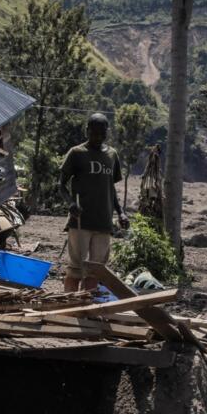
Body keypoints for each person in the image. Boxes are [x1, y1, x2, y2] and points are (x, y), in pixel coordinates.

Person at [59, 113, 128, 292]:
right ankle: (69, 308)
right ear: (87, 131)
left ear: (107, 133)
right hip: (81, 221)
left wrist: (120, 212)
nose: (97, 137)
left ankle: (87, 310)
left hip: (104, 222)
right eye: (94, 133)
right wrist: (70, 203)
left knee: (96, 271)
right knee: (76, 269)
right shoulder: (76, 153)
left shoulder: (112, 155)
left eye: (102, 133)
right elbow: (60, 185)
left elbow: (110, 188)